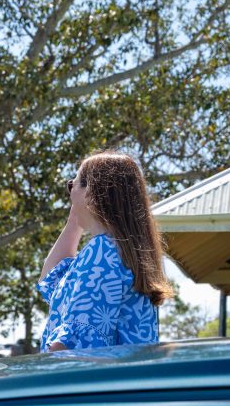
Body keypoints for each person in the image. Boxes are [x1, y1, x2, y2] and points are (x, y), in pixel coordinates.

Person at [37, 151, 173, 352]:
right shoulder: (121, 250)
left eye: (71, 186)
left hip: (91, 382)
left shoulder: (103, 253)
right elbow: (51, 281)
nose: (70, 194)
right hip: (125, 381)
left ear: (90, 192)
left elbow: (69, 346)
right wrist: (75, 218)